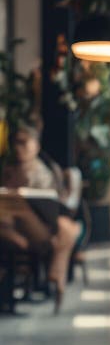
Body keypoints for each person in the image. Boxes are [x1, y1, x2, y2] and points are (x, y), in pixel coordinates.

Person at [0, 123, 80, 312]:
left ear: (35, 145)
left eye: (24, 143)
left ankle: (51, 274)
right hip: (11, 226)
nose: (19, 148)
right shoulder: (8, 170)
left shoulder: (46, 172)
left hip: (38, 228)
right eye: (16, 143)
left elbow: (56, 204)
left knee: (65, 227)